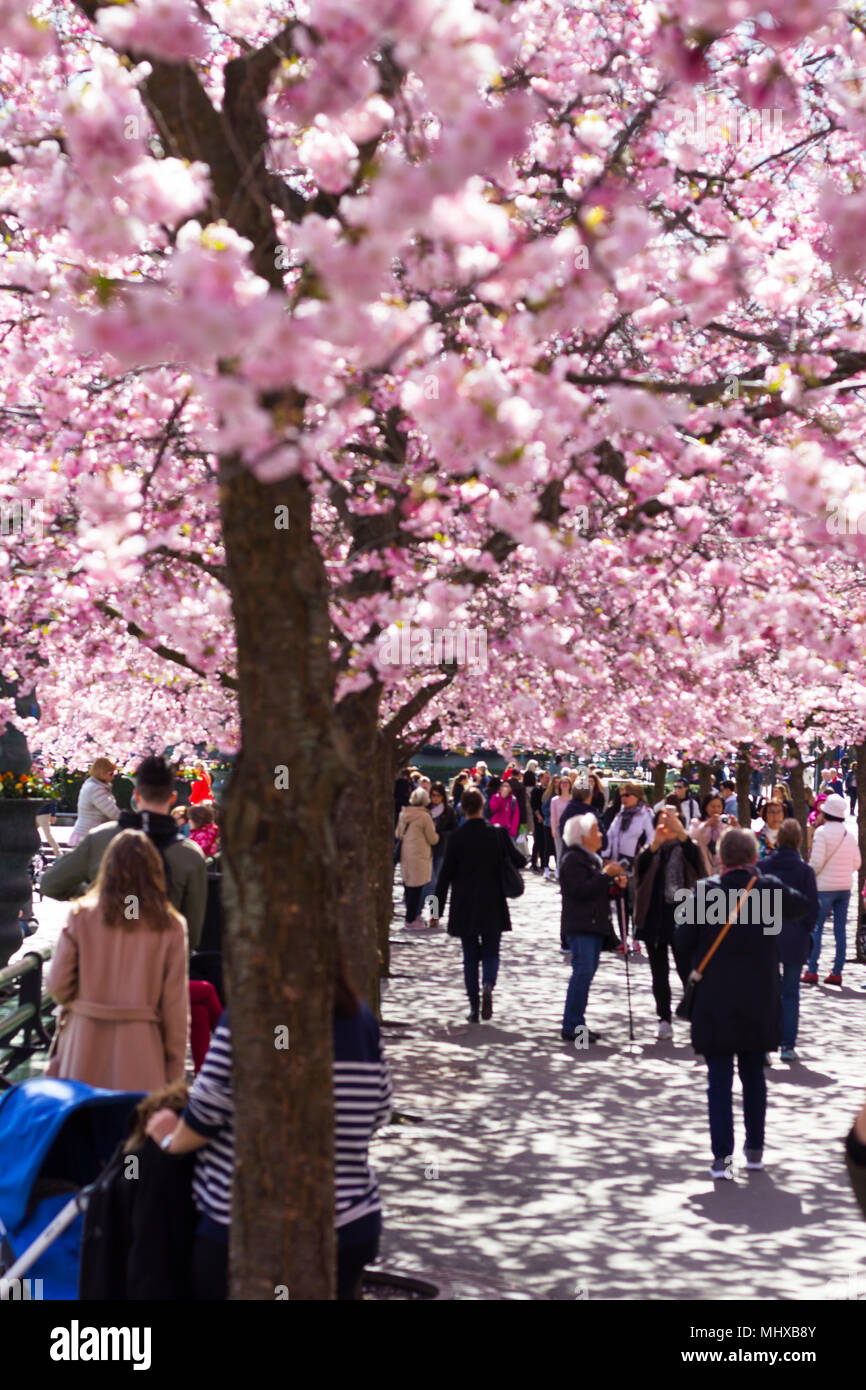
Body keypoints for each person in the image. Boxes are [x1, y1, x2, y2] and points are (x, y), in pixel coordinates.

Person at [145, 959, 393, 1301]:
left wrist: (169, 1138)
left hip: (245, 1229)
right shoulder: (361, 1020)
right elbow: (379, 1112)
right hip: (349, 1224)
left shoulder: (251, 1015)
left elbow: (205, 1114)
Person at [675, 829, 809, 1179]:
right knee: (754, 1077)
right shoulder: (768, 890)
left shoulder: (703, 893)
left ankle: (722, 1159)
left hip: (714, 1000)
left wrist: (690, 975)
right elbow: (802, 903)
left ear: (720, 857)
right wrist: (761, 878)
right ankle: (755, 1151)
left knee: (718, 1080)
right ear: (752, 858)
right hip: (759, 998)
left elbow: (681, 941)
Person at [45, 829, 189, 1091]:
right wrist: (174, 1071)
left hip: (83, 1044)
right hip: (142, 1049)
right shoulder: (171, 927)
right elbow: (175, 1007)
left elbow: (57, 985)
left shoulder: (80, 916)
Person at [41, 755, 208, 950]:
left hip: (106, 955)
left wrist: (95, 894)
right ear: (172, 798)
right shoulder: (189, 855)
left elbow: (50, 884)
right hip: (160, 963)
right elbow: (194, 935)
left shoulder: (100, 839)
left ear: (136, 796)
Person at [431, 788, 526, 1022]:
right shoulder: (498, 834)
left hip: (464, 904)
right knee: (492, 951)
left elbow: (443, 879)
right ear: (483, 806)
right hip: (492, 901)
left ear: (462, 807)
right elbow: (520, 860)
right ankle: (488, 985)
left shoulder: (456, 838)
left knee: (470, 957)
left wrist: (435, 911)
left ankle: (474, 1006)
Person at [634, 807, 704, 1038]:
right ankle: (663, 1018)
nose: (667, 825)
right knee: (659, 972)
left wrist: (681, 834)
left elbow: (698, 863)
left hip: (683, 916)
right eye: (662, 820)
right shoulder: (651, 849)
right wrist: (655, 843)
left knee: (687, 969)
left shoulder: (687, 847)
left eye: (672, 821)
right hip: (655, 918)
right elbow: (640, 869)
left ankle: (695, 1015)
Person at [559, 813, 625, 1042]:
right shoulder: (574, 860)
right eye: (596, 831)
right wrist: (606, 876)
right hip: (581, 925)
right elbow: (581, 891)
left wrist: (613, 883)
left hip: (592, 924)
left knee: (586, 973)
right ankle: (572, 1024)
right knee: (583, 972)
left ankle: (576, 1022)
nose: (601, 835)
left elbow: (595, 890)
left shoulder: (589, 859)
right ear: (584, 836)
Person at [762, 820, 819, 1061]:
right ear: (798, 842)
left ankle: (763, 1046)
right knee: (791, 992)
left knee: (765, 991)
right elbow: (812, 906)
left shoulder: (763, 866)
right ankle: (787, 1046)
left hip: (766, 937)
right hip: (795, 937)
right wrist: (805, 928)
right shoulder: (805, 871)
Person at [803, 792, 861, 986]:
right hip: (844, 888)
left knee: (817, 928)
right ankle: (837, 971)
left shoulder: (821, 832)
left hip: (824, 888)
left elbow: (817, 862)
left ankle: (812, 970)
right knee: (840, 931)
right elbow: (857, 862)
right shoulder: (849, 835)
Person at [605, 782, 655, 952]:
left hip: (636, 865)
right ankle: (623, 938)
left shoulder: (645, 814)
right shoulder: (620, 815)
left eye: (627, 795)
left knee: (634, 903)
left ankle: (636, 938)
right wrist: (607, 856)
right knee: (620, 903)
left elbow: (651, 839)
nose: (623, 798)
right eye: (622, 795)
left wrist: (642, 858)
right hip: (619, 865)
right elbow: (611, 835)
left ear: (637, 796)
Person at [69, 757, 119, 846]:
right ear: (102, 773)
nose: (114, 776)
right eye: (111, 773)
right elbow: (112, 812)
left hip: (88, 832)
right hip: (90, 834)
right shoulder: (96, 789)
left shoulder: (93, 785)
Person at [689, 793, 732, 877]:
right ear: (705, 807)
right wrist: (706, 825)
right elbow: (692, 837)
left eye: (719, 806)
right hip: (703, 864)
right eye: (712, 806)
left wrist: (735, 826)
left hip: (722, 866)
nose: (716, 809)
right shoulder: (696, 822)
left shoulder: (726, 823)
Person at [550, 774, 572, 879]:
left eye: (566, 783)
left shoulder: (573, 799)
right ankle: (560, 873)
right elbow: (553, 817)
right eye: (562, 783)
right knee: (559, 852)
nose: (564, 785)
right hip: (559, 828)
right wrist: (553, 829)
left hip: (571, 829)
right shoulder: (554, 800)